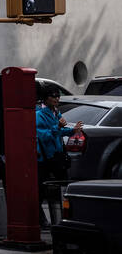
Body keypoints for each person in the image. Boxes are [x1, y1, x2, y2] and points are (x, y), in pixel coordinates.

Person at [35, 84, 82, 228]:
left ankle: (62, 217)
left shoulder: (56, 112)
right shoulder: (39, 115)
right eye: (53, 96)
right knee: (41, 190)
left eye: (58, 96)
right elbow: (43, 136)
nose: (57, 98)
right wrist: (58, 127)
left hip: (57, 156)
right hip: (44, 158)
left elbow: (58, 133)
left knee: (61, 186)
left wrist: (72, 131)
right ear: (45, 98)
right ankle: (40, 218)